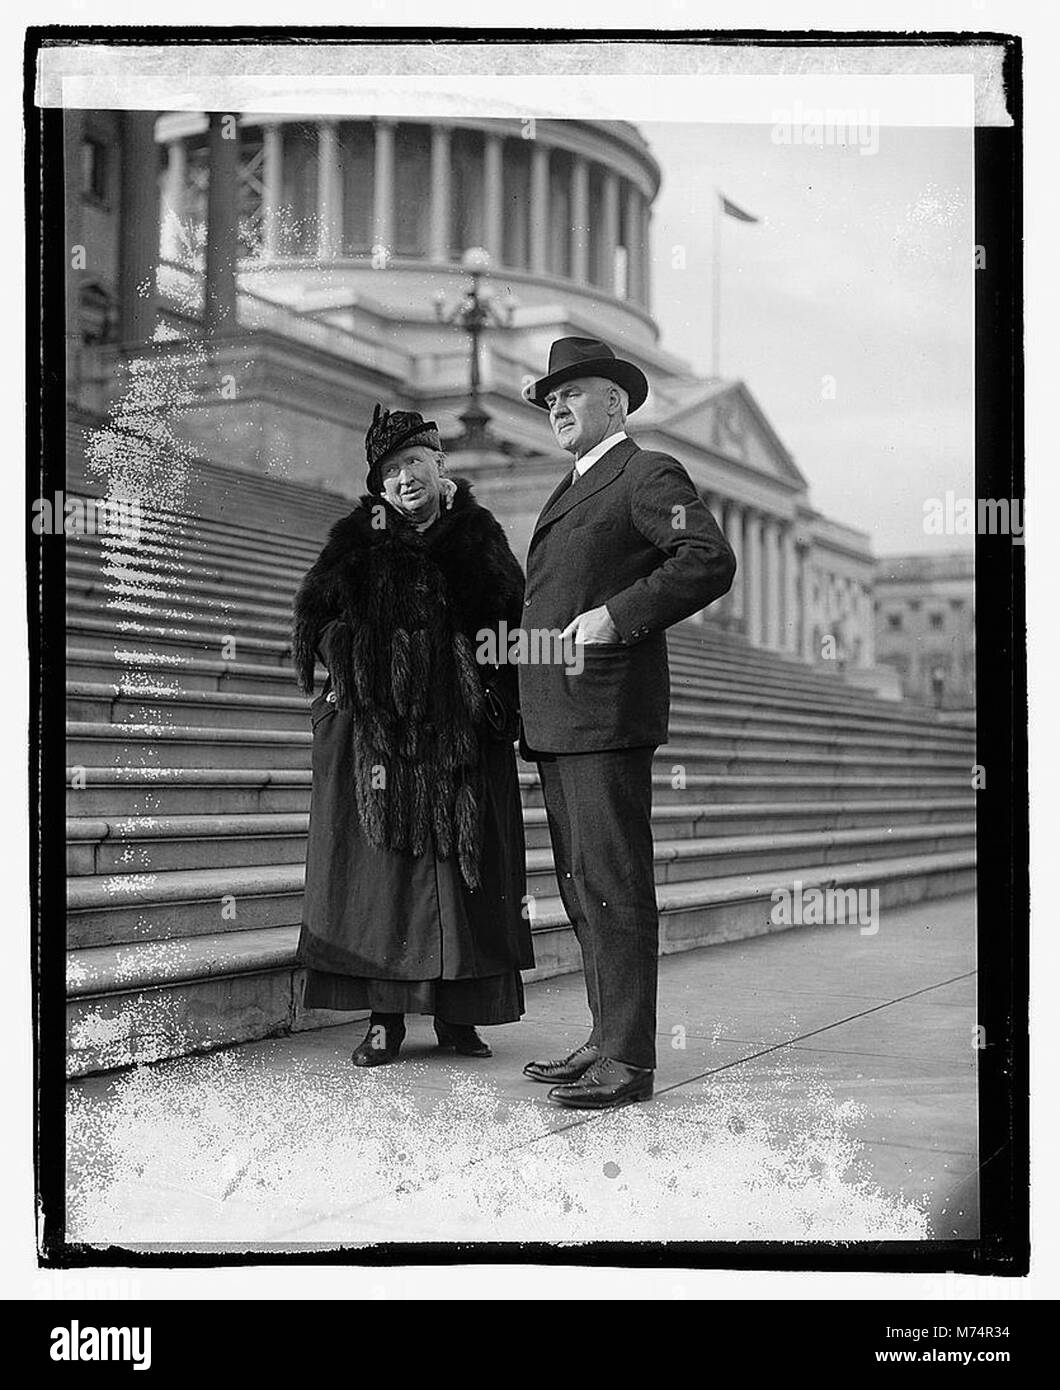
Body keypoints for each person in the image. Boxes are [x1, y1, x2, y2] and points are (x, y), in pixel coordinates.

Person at [518, 337, 737, 1109]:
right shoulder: (573, 482)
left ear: (615, 400)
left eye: (571, 394)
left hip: (605, 715)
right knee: (583, 890)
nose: (557, 408)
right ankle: (605, 1039)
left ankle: (629, 1061)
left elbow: (707, 556)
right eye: (550, 400)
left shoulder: (645, 472)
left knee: (613, 887)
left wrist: (620, 616)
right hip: (559, 721)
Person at [292, 406, 533, 1066]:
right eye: (389, 471)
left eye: (413, 464)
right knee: (385, 881)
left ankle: (463, 1015)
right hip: (382, 738)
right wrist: (356, 660)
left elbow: (508, 625)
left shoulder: (479, 534)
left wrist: (493, 699)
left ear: (440, 465)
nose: (402, 480)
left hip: (459, 734)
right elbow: (314, 609)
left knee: (465, 877)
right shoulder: (359, 534)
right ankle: (384, 1020)